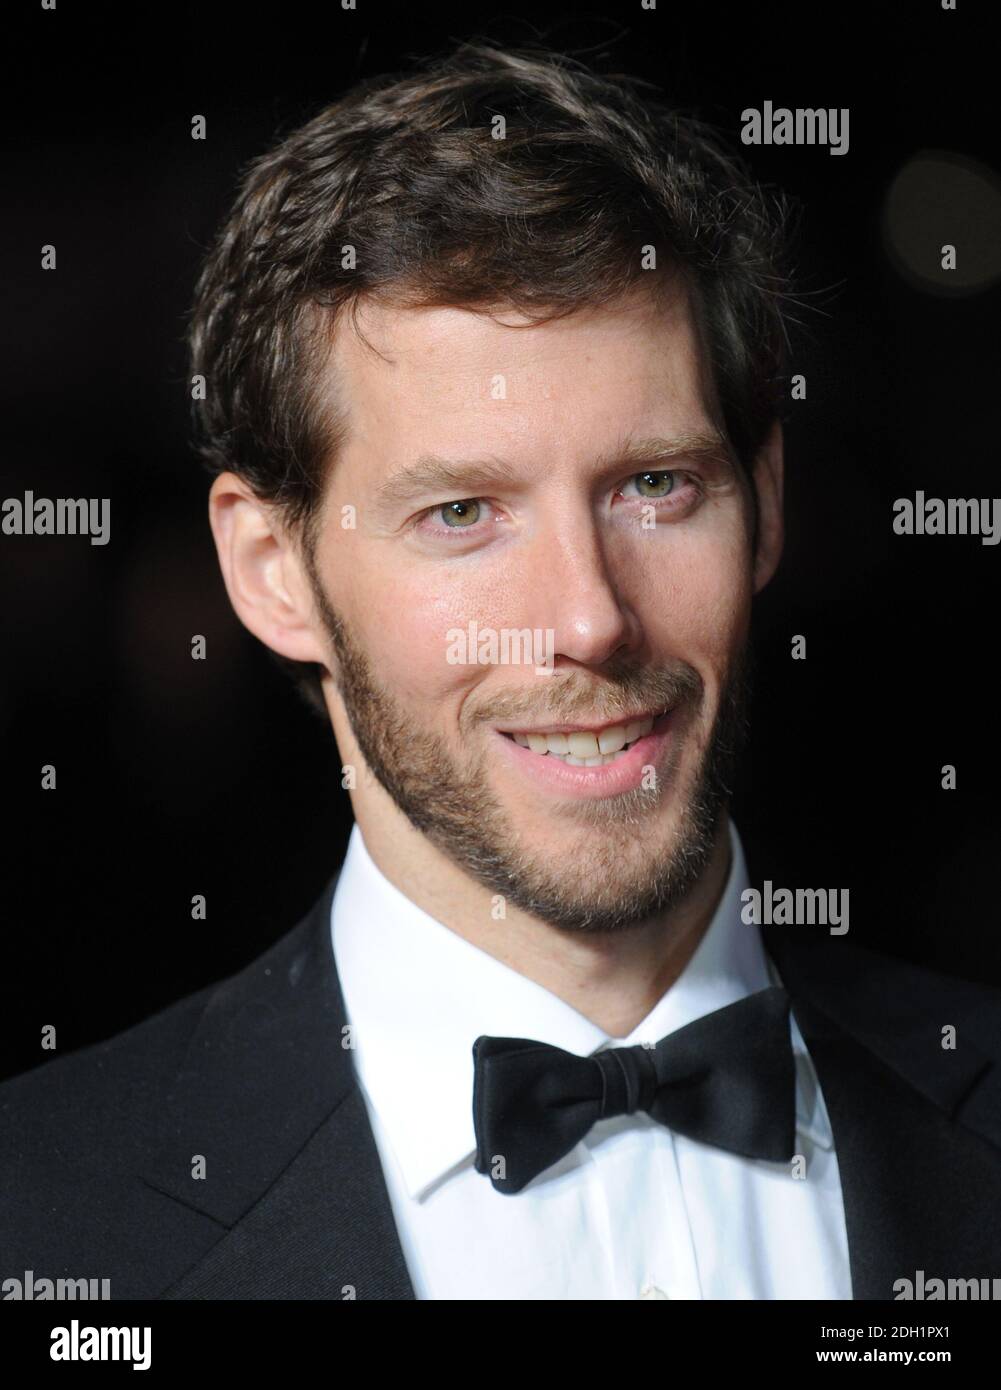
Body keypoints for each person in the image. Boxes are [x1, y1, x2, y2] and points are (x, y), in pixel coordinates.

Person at [3, 40, 1000, 1302]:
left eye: (654, 486)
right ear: (271, 571)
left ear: (762, 501)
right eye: (462, 513)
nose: (587, 621)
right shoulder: (41, 1222)